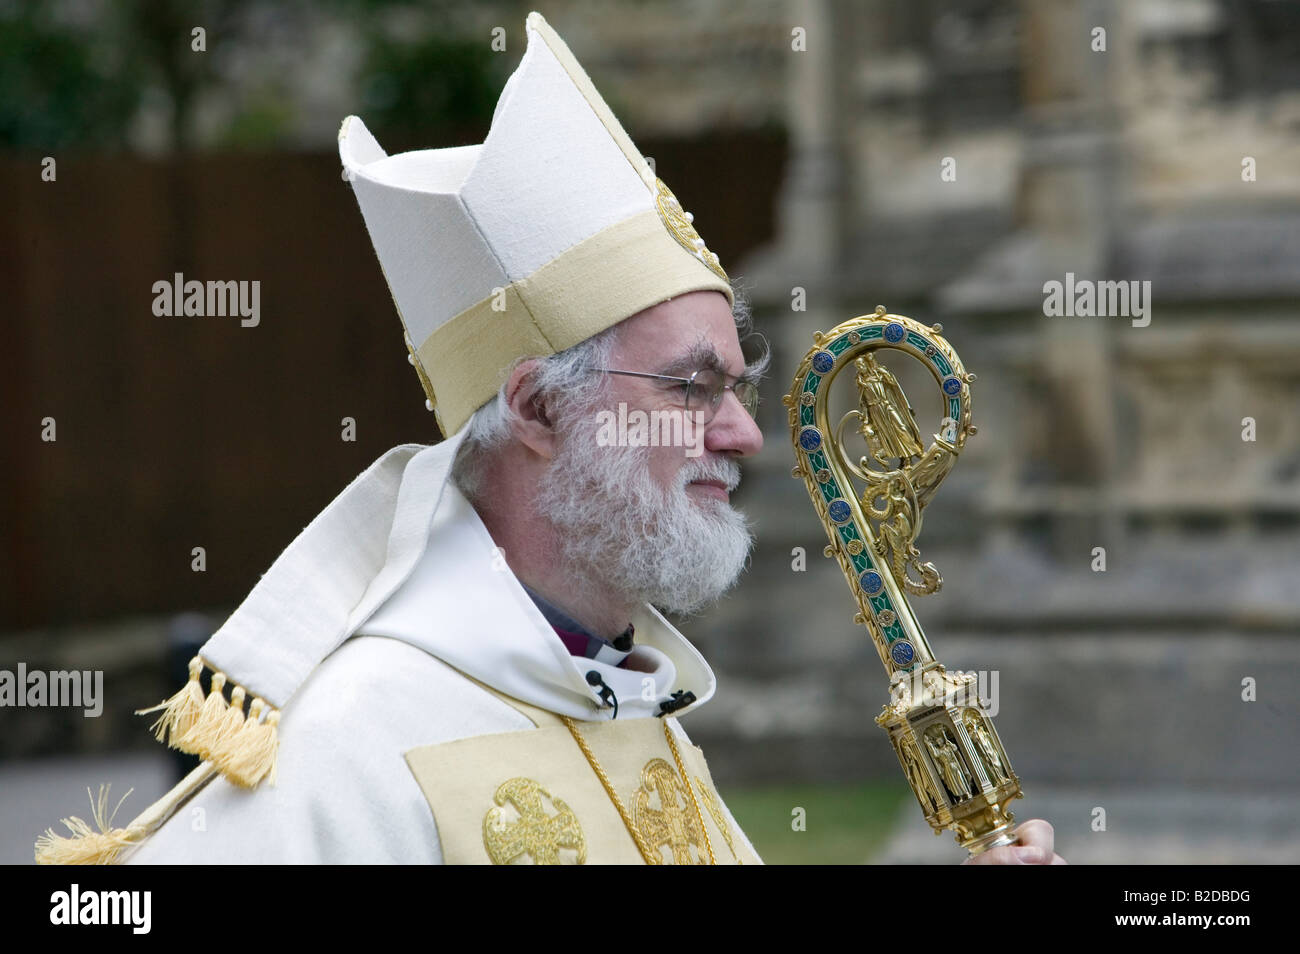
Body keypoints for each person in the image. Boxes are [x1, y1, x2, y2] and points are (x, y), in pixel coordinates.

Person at [34, 11, 1062, 866]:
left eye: (740, 386)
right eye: (692, 386)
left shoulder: (633, 705)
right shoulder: (348, 748)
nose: (745, 433)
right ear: (534, 409)